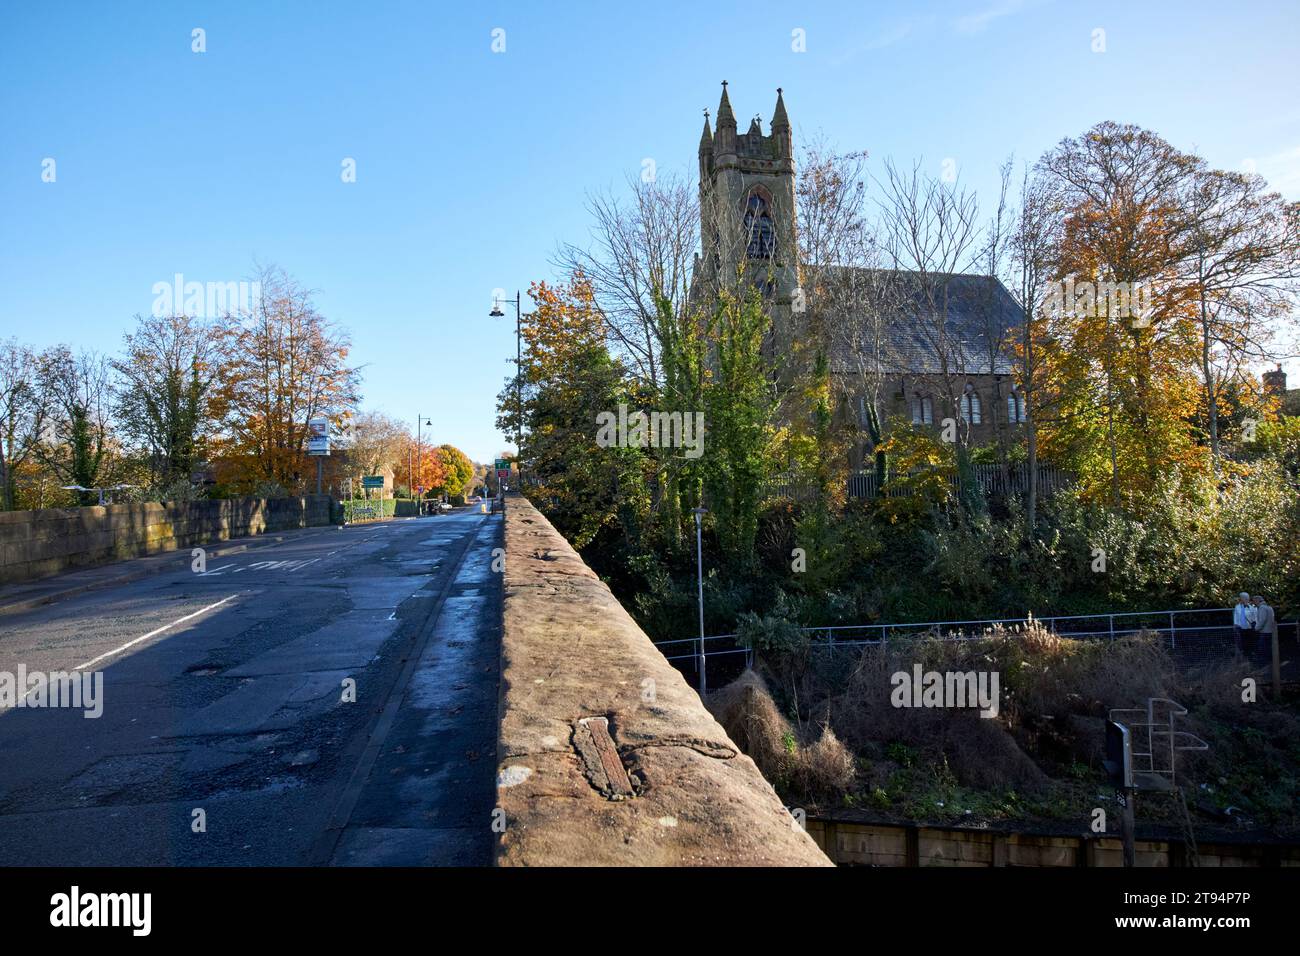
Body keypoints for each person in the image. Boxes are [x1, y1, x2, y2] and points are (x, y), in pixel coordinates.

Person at [1252, 595, 1276, 665]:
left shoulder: (1262, 608)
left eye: (1254, 601)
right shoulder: (1269, 607)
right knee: (1268, 647)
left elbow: (1262, 620)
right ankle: (1270, 662)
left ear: (1257, 600)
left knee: (1262, 648)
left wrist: (1256, 628)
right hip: (1270, 631)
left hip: (1265, 632)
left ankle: (1263, 663)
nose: (1253, 603)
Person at [1233, 592, 1257, 657]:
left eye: (1243, 598)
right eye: (1241, 597)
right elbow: (1236, 616)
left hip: (1249, 628)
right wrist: (1235, 624)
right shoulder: (1237, 607)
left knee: (1250, 642)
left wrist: (1254, 624)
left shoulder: (1252, 607)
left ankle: (1250, 655)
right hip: (1240, 628)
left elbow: (1255, 617)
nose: (1241, 599)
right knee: (1242, 643)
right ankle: (1244, 655)